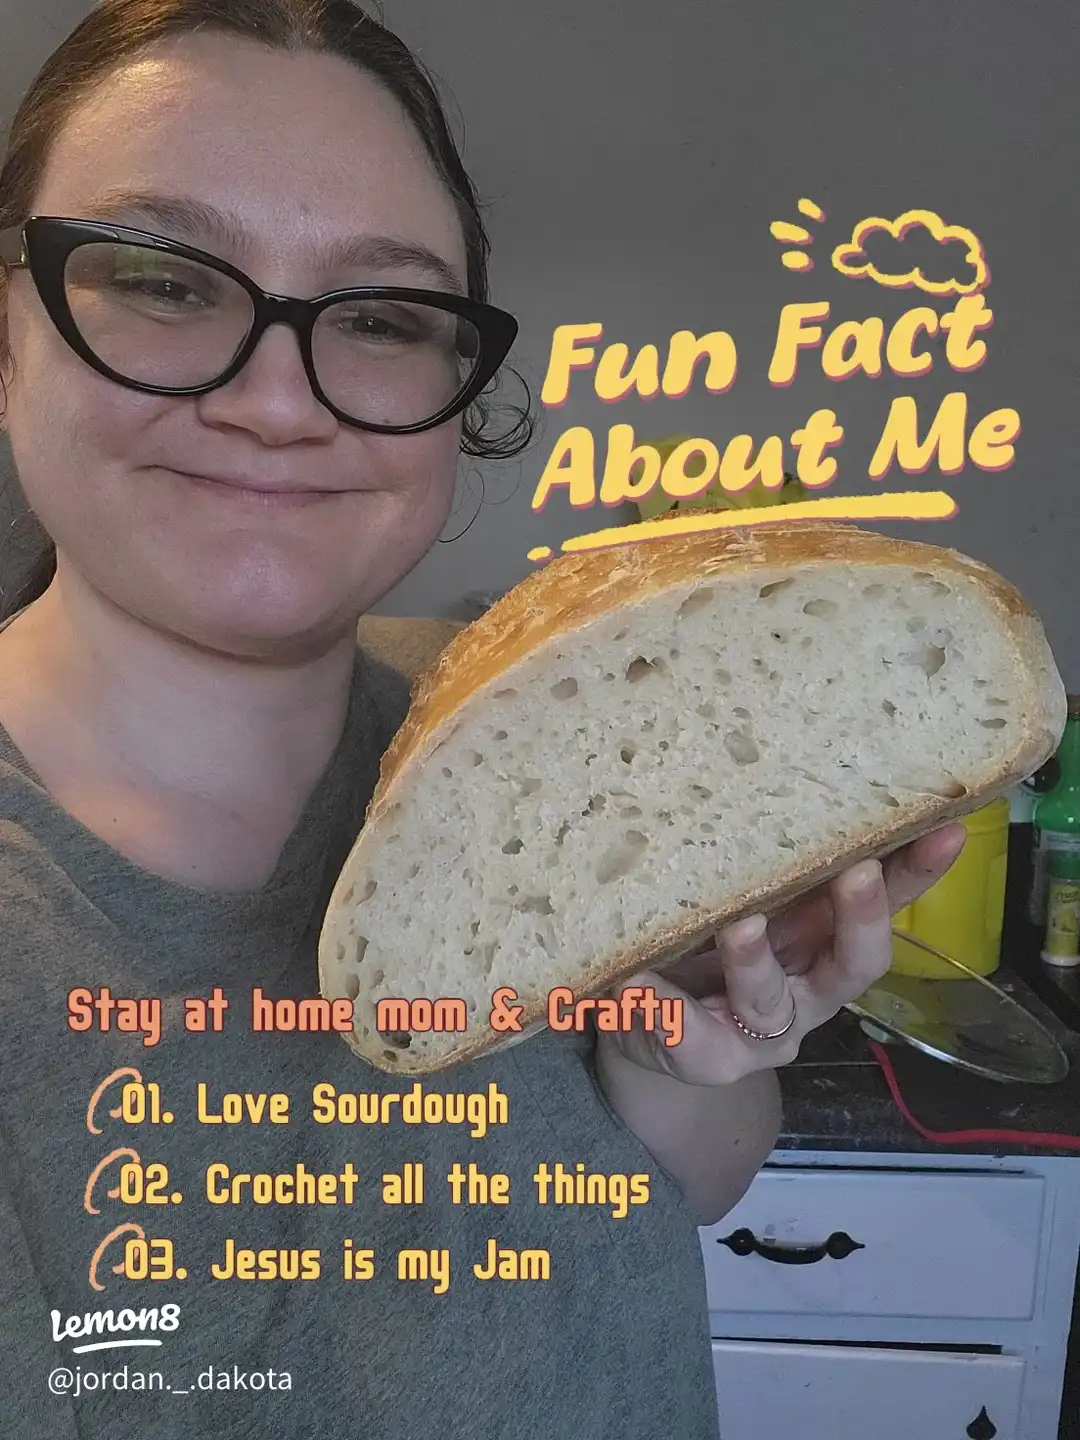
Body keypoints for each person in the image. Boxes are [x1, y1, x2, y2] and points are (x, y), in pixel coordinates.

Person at [0, 3, 966, 1436]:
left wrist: (672, 1052)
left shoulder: (559, 769)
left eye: (380, 317)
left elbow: (685, 1188)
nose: (276, 400)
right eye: (163, 280)